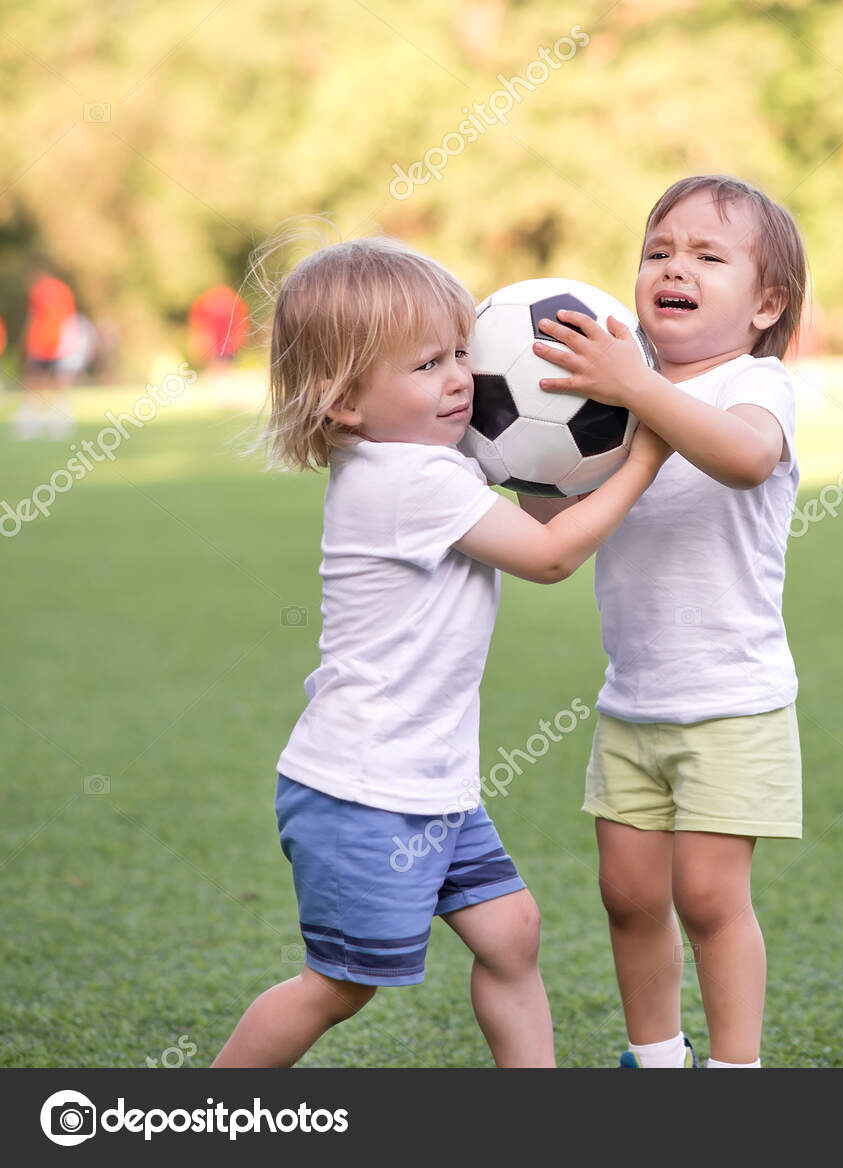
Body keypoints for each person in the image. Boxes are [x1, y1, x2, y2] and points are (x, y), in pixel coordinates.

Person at [212, 237, 670, 1068]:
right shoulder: (408, 481)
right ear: (344, 402)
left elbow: (530, 523)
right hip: (366, 789)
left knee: (511, 934)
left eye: (463, 352)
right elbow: (549, 556)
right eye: (428, 365)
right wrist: (643, 454)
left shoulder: (423, 459)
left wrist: (556, 461)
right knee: (339, 986)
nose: (461, 377)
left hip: (428, 782)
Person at [530, 174, 807, 1069]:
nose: (673, 266)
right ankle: (655, 1059)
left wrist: (637, 392)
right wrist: (508, 451)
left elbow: (745, 457)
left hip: (735, 702)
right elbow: (548, 526)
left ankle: (734, 1069)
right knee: (628, 894)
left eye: (706, 255)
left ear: (765, 304)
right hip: (633, 703)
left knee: (709, 897)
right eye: (658, 251)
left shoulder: (754, 386)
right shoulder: (609, 409)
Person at [16, 267, 76, 439]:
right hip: (59, 343)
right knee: (59, 384)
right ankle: (61, 422)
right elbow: (69, 319)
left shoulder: (39, 290)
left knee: (33, 383)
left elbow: (34, 317)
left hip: (41, 343)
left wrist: (25, 341)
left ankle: (29, 423)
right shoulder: (64, 289)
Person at [188, 284, 250, 371]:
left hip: (221, 348)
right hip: (225, 347)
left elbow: (200, 327)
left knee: (219, 373)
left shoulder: (204, 302)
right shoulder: (233, 301)